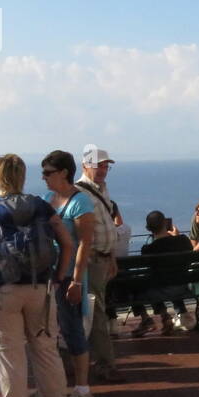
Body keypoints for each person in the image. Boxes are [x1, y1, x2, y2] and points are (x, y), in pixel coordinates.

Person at [0, 155, 75, 397]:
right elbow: (66, 243)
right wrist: (58, 275)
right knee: (47, 352)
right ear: (23, 176)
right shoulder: (41, 206)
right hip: (40, 289)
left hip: (3, 291)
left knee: (11, 360)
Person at [41, 150, 97, 397]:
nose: (44, 178)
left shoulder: (80, 203)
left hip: (68, 277)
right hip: (48, 276)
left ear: (63, 172)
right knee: (47, 332)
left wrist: (76, 281)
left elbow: (85, 243)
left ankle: (83, 389)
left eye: (48, 173)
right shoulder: (46, 199)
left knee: (73, 330)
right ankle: (51, 385)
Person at [75, 147, 124, 384]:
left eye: (106, 166)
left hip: (102, 260)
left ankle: (87, 364)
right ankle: (106, 364)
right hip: (92, 260)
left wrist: (111, 256)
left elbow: (107, 226)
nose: (103, 170)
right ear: (85, 166)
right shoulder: (80, 192)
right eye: (98, 165)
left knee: (93, 312)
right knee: (96, 314)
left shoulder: (101, 190)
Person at [129, 211, 194, 335]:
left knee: (139, 284)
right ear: (166, 223)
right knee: (161, 279)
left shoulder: (148, 249)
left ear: (148, 229)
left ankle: (148, 319)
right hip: (183, 288)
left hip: (159, 291)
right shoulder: (184, 241)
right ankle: (166, 317)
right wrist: (177, 236)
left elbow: (148, 271)